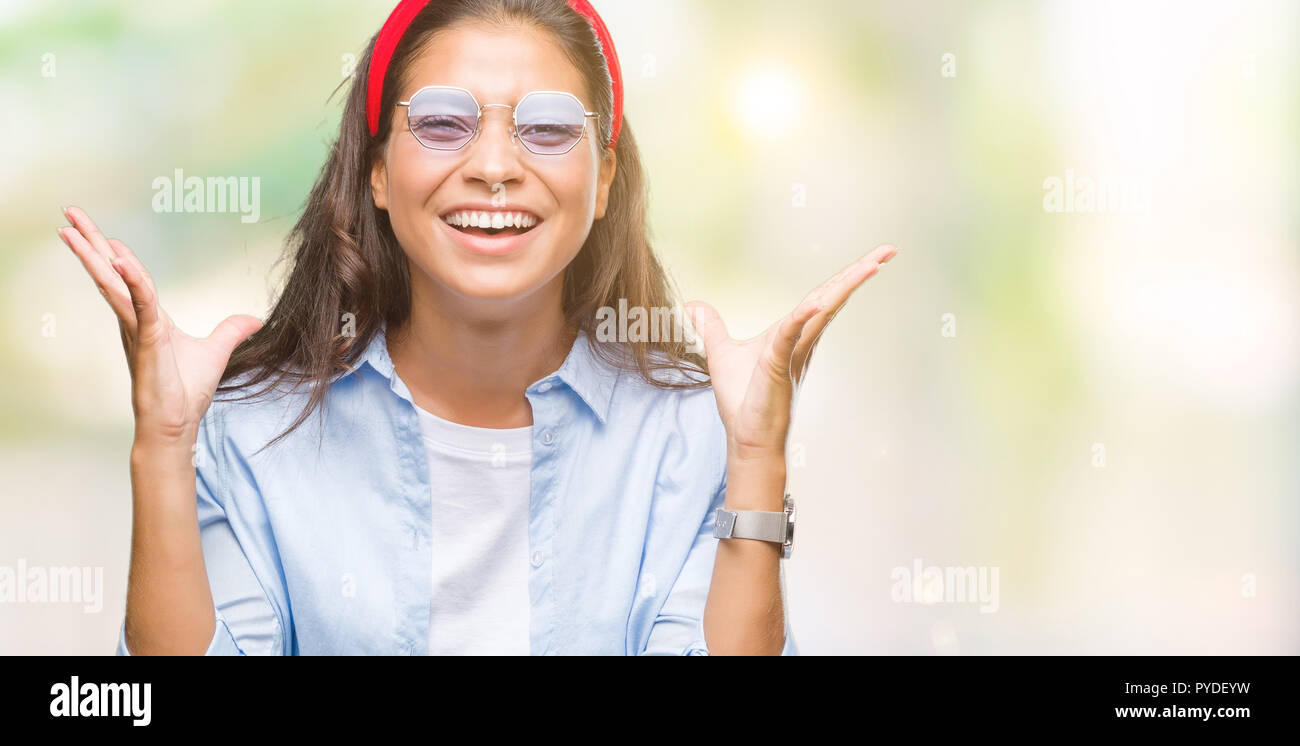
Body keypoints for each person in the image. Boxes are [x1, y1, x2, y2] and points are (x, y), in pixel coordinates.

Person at [58, 0, 897, 655]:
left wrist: (754, 460)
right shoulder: (254, 430)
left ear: (603, 177)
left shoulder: (693, 432)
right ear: (379, 170)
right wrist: (162, 445)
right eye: (444, 121)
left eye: (547, 127)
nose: (495, 167)